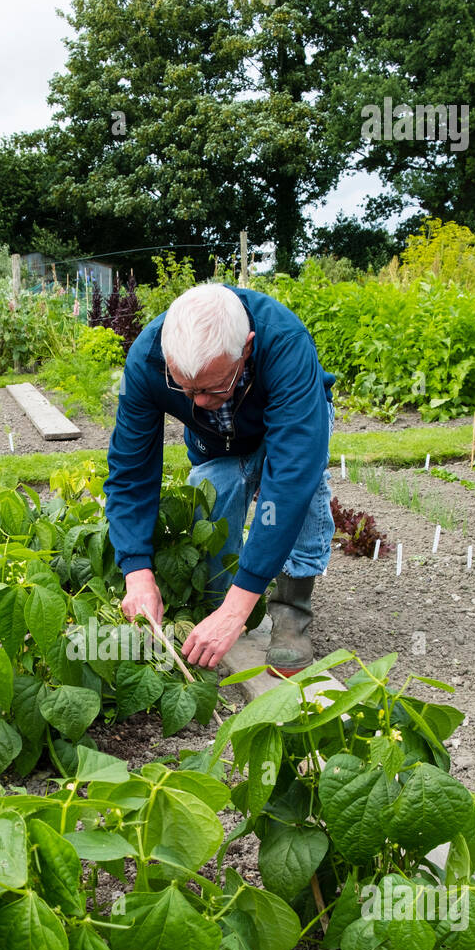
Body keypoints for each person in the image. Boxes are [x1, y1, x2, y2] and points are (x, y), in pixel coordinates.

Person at [104, 282, 337, 673]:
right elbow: (130, 472)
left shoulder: (284, 342)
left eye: (212, 387)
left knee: (304, 493)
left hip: (293, 423)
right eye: (185, 387)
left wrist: (238, 607)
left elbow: (290, 476)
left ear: (245, 348)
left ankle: (290, 612)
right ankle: (215, 596)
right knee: (214, 490)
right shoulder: (146, 359)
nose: (197, 401)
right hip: (216, 439)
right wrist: (136, 572)